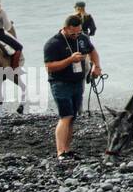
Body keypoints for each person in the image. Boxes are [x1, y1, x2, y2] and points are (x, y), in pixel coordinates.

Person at [42, 15, 102, 161]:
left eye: (78, 32)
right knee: (66, 116)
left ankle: (67, 149)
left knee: (73, 117)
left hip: (78, 82)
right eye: (72, 33)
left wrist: (96, 66)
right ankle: (60, 151)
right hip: (60, 83)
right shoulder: (53, 43)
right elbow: (49, 67)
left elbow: (92, 52)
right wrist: (70, 60)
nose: (76, 36)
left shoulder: (82, 38)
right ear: (65, 29)